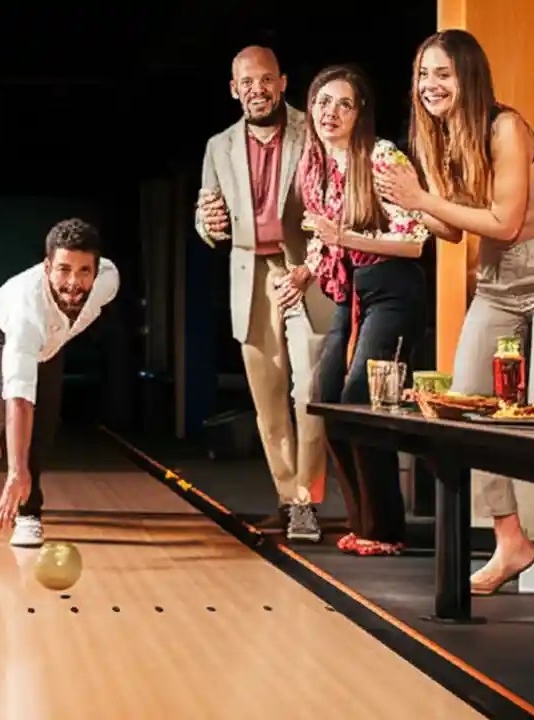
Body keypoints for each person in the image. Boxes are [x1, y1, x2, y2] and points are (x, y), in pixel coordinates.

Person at [376, 29, 534, 608]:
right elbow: (454, 229)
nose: (430, 85)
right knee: (468, 407)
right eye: (423, 74)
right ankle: (511, 540)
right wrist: (404, 206)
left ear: (469, 78)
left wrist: (422, 199)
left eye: (443, 74)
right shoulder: (433, 136)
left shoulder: (505, 127)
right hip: (499, 281)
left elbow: (505, 221)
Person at [195, 45, 335, 541]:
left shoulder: (312, 129)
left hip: (305, 270)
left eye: (266, 80)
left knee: (310, 391)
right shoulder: (219, 146)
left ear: (282, 83)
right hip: (250, 271)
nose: (258, 89)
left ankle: (307, 501)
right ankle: (287, 496)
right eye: (247, 82)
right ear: (234, 89)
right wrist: (208, 225)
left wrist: (312, 262)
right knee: (268, 398)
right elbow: (206, 213)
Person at [299, 64, 431, 556]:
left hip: (393, 290)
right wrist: (304, 273)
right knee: (326, 393)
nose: (329, 112)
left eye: (343, 104)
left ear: (360, 114)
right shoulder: (315, 163)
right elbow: (324, 241)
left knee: (362, 398)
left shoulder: (380, 156)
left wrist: (344, 238)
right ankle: (362, 522)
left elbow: (416, 240)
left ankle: (385, 529)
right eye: (322, 102)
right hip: (352, 291)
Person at [0, 218, 119, 547]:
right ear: (47, 267)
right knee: (11, 401)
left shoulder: (109, 281)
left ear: (97, 270)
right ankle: (28, 513)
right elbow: (20, 402)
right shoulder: (26, 315)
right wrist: (16, 473)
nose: (74, 282)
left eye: (84, 271)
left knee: (46, 424)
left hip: (50, 342)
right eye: (63, 269)